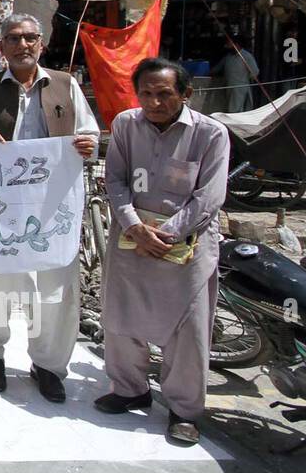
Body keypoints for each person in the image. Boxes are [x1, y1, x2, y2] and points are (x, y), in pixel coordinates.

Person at [97, 56, 230, 446]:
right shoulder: (125, 125)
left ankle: (184, 410)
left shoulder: (211, 134)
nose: (154, 102)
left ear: (186, 94)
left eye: (164, 94)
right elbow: (115, 179)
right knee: (120, 314)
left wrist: (166, 233)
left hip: (185, 241)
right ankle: (129, 388)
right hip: (131, 235)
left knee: (187, 328)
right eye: (147, 94)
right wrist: (135, 226)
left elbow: (210, 196)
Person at [0, 14, 99, 403]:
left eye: (29, 38)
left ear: (41, 44)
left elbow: (89, 131)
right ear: (2, 47)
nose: (22, 45)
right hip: (1, 207)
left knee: (53, 288)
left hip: (53, 208)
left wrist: (88, 145)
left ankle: (47, 365)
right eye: (13, 38)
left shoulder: (65, 85)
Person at [212, 36, 260, 113]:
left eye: (229, 44)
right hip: (229, 87)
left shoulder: (246, 56)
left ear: (236, 45)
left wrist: (243, 80)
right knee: (230, 109)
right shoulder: (228, 57)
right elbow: (217, 68)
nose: (227, 46)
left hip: (240, 88)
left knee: (236, 110)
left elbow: (255, 72)